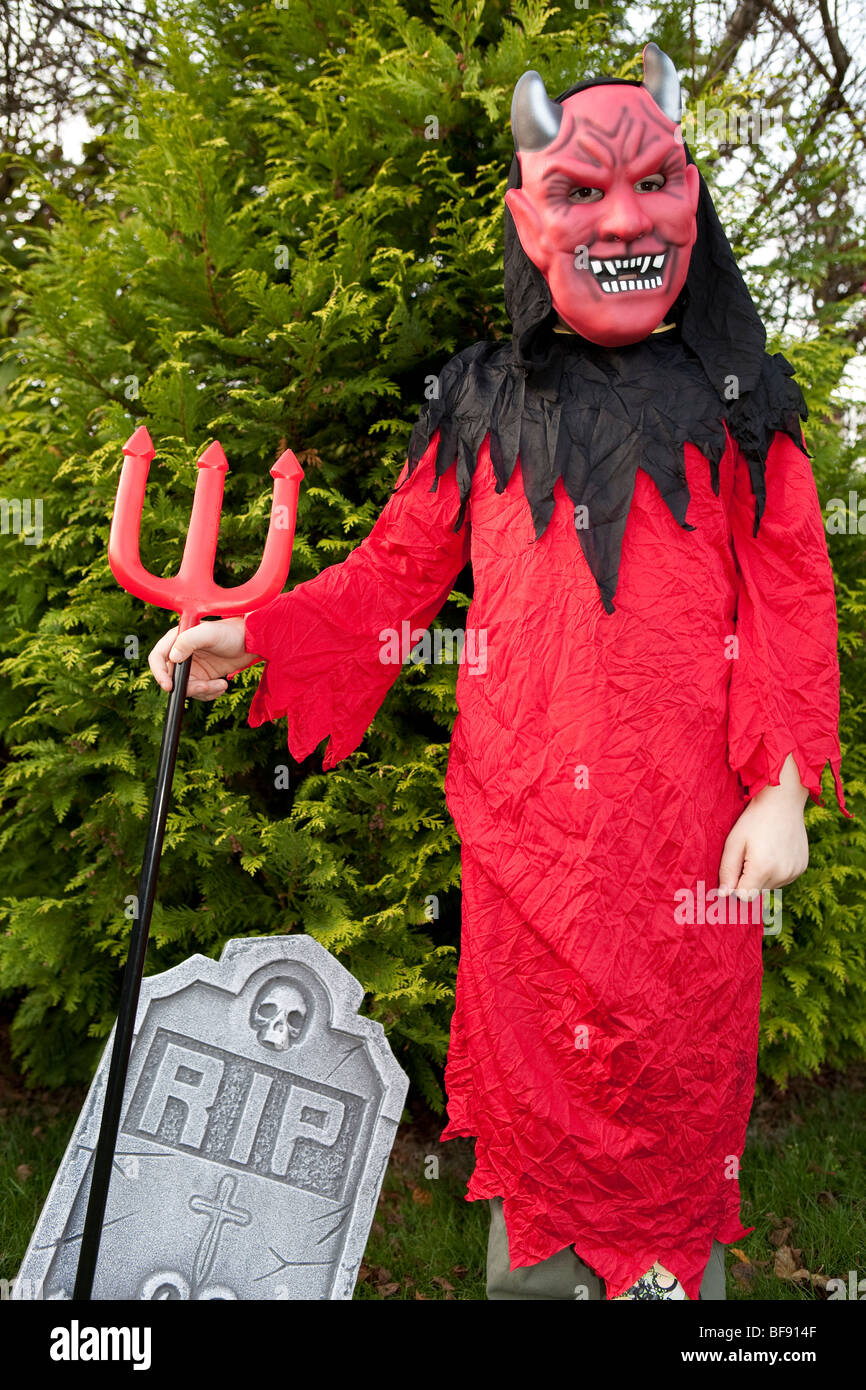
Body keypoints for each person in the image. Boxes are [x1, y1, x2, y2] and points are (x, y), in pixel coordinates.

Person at [148, 44, 848, 1300]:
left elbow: (791, 594)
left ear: (691, 197)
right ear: (529, 218)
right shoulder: (476, 402)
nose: (624, 217)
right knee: (534, 1197)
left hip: (688, 860)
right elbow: (391, 582)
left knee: (679, 1180)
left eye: (654, 181)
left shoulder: (745, 406)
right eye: (582, 191)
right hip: (526, 863)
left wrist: (780, 782)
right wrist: (257, 638)